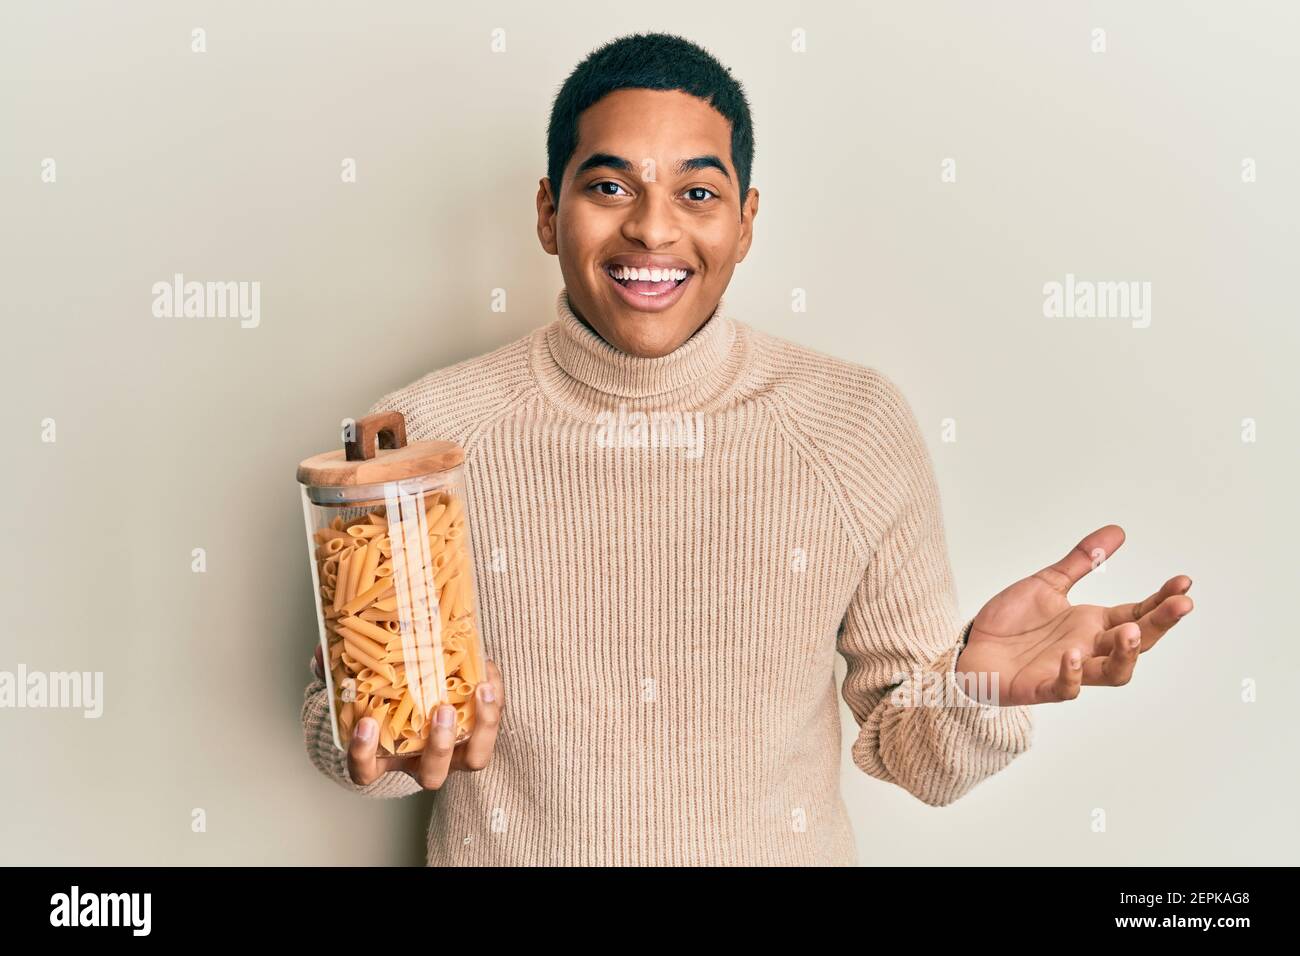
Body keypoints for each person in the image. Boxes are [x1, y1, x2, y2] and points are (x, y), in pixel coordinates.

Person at [301, 31, 1194, 866]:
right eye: (610, 186)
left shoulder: (853, 423)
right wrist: (365, 742)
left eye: (697, 192)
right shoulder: (425, 438)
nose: (653, 229)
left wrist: (976, 686)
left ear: (746, 220)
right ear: (547, 211)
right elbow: (351, 723)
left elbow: (914, 755)